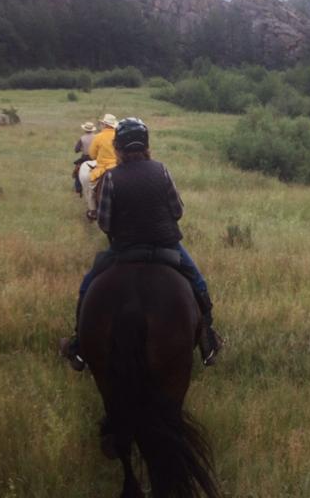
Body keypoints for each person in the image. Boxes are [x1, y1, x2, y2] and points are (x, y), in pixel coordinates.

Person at [60, 117, 222, 370]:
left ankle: (79, 347)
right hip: (167, 246)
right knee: (198, 283)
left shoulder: (111, 178)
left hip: (123, 249)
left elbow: (104, 223)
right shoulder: (162, 170)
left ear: (119, 148)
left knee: (86, 287)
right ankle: (207, 340)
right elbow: (177, 211)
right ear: (146, 146)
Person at [84, 113, 117, 220]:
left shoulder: (98, 137)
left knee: (91, 186)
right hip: (120, 166)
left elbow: (92, 154)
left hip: (103, 168)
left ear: (104, 124)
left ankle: (93, 211)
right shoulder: (119, 135)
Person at [72, 121, 96, 196]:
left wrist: (82, 149)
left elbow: (76, 150)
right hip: (95, 158)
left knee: (77, 172)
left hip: (85, 158)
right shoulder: (97, 137)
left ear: (85, 130)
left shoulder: (82, 138)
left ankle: (78, 189)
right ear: (92, 130)